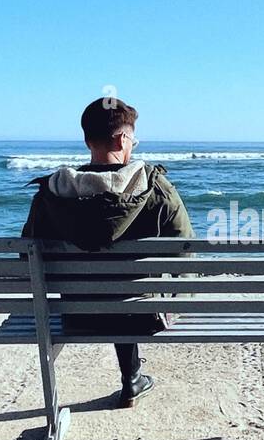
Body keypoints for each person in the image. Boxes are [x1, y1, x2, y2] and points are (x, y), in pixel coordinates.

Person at [21, 98, 193, 406]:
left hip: (75, 316)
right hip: (143, 317)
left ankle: (131, 378)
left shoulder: (53, 193)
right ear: (123, 139)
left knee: (111, 289)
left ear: (88, 140)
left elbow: (26, 257)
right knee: (129, 296)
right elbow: (184, 249)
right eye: (133, 139)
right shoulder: (155, 188)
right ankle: (132, 379)